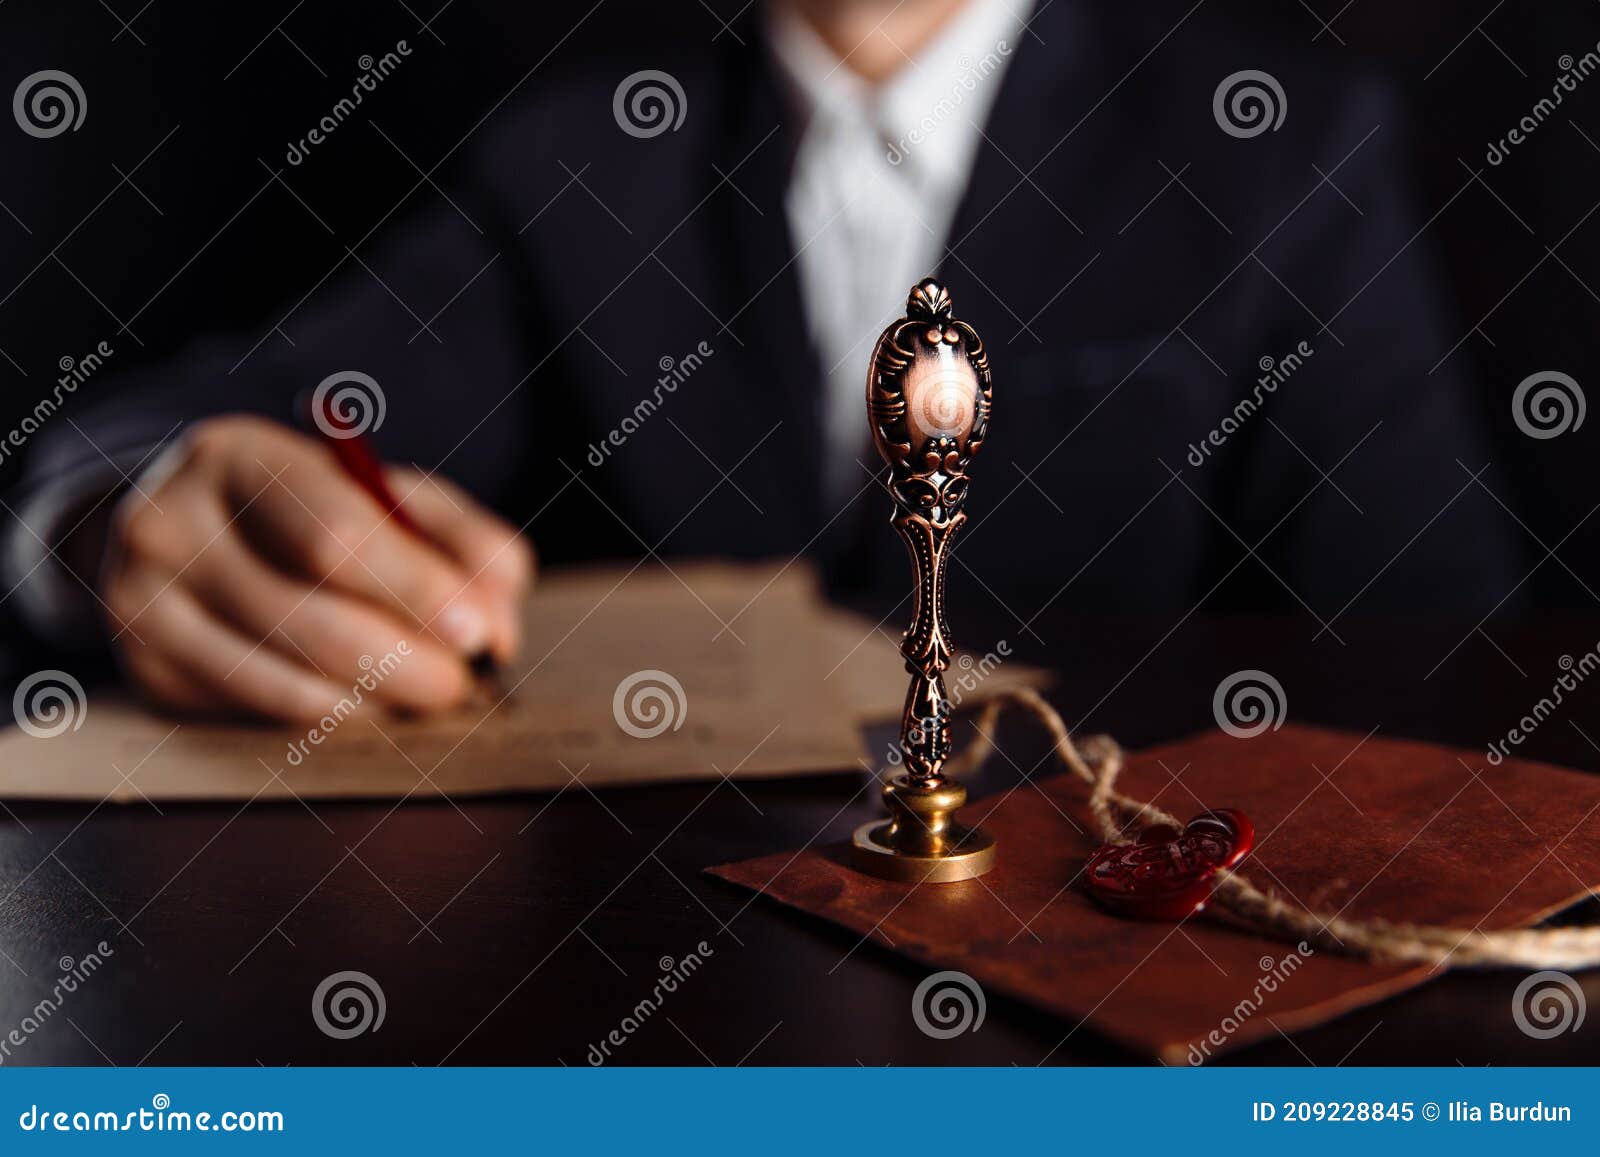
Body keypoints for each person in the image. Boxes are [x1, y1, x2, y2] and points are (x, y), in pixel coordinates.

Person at [1, 0, 1519, 723]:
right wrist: (114, 511)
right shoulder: (581, 161)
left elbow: (1441, 651)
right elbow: (221, 418)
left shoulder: (1278, 148)